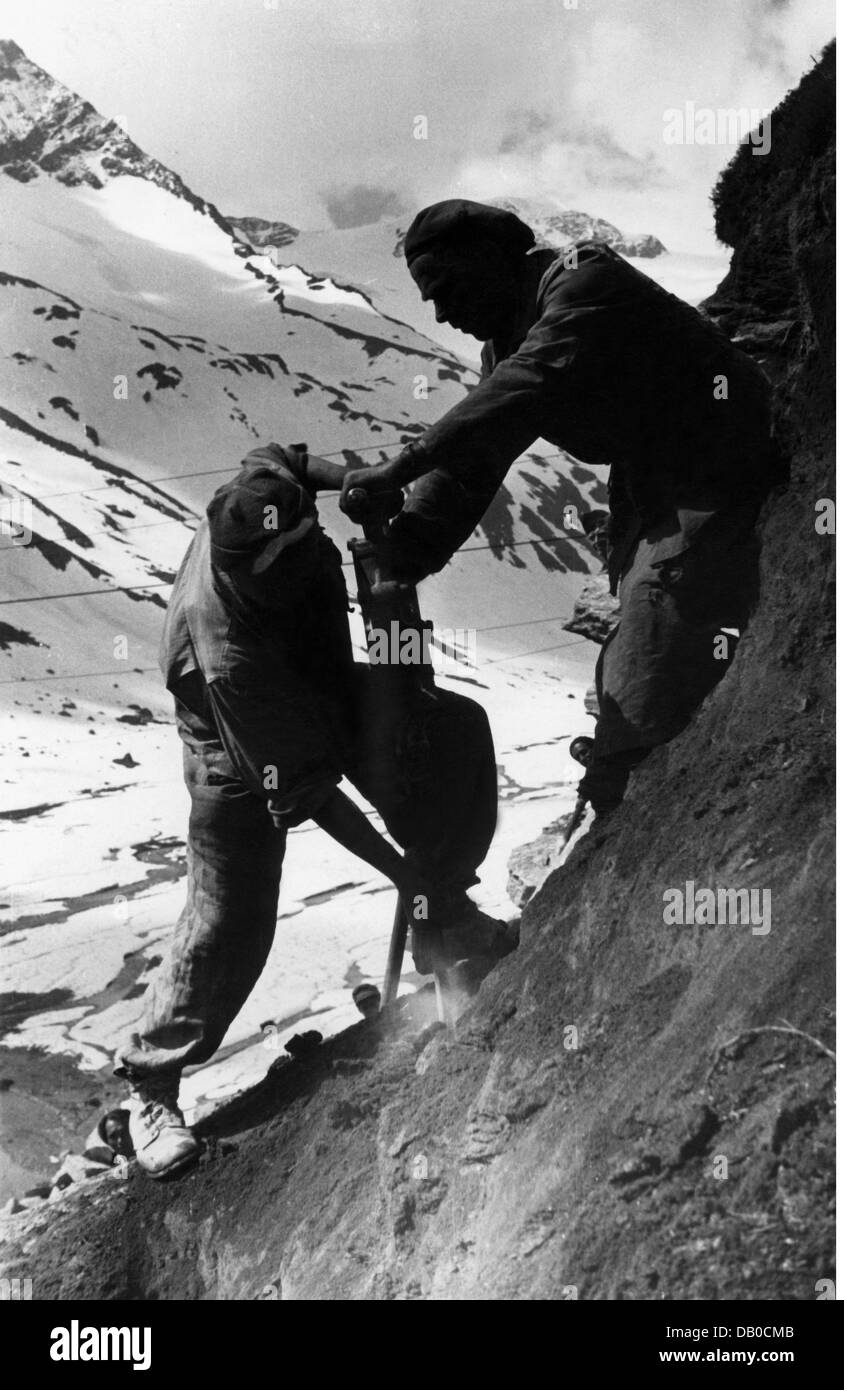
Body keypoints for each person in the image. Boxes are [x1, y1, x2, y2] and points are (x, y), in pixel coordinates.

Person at [339, 199, 783, 812]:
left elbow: (528, 383)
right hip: (653, 484)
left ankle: (637, 789)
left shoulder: (585, 277)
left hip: (720, 461)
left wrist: (402, 465)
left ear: (494, 259)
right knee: (639, 642)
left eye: (448, 289)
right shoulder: (508, 344)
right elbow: (476, 462)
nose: (443, 313)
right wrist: (410, 546)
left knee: (648, 662)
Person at [115, 444, 443, 1178]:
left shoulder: (259, 494)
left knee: (416, 743)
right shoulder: (230, 659)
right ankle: (151, 1082)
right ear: (257, 568)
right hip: (233, 750)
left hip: (305, 670)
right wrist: (400, 872)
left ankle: (450, 924)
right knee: (230, 919)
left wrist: (351, 479)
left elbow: (284, 454)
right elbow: (306, 789)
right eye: (289, 557)